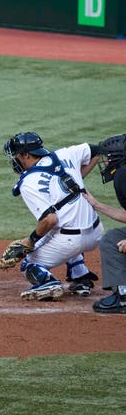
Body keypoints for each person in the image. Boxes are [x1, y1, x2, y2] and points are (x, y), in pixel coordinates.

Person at [2, 132, 102, 300]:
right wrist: (78, 178)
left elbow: (49, 219)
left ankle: (48, 283)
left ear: (26, 154)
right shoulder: (65, 154)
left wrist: (30, 241)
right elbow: (97, 150)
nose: (14, 160)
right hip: (97, 232)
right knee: (57, 229)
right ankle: (80, 276)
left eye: (16, 155)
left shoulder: (29, 182)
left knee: (29, 264)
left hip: (71, 240)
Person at [83, 135, 126, 314]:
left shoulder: (123, 175)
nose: (106, 161)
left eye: (108, 157)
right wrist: (97, 205)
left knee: (111, 241)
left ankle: (123, 297)